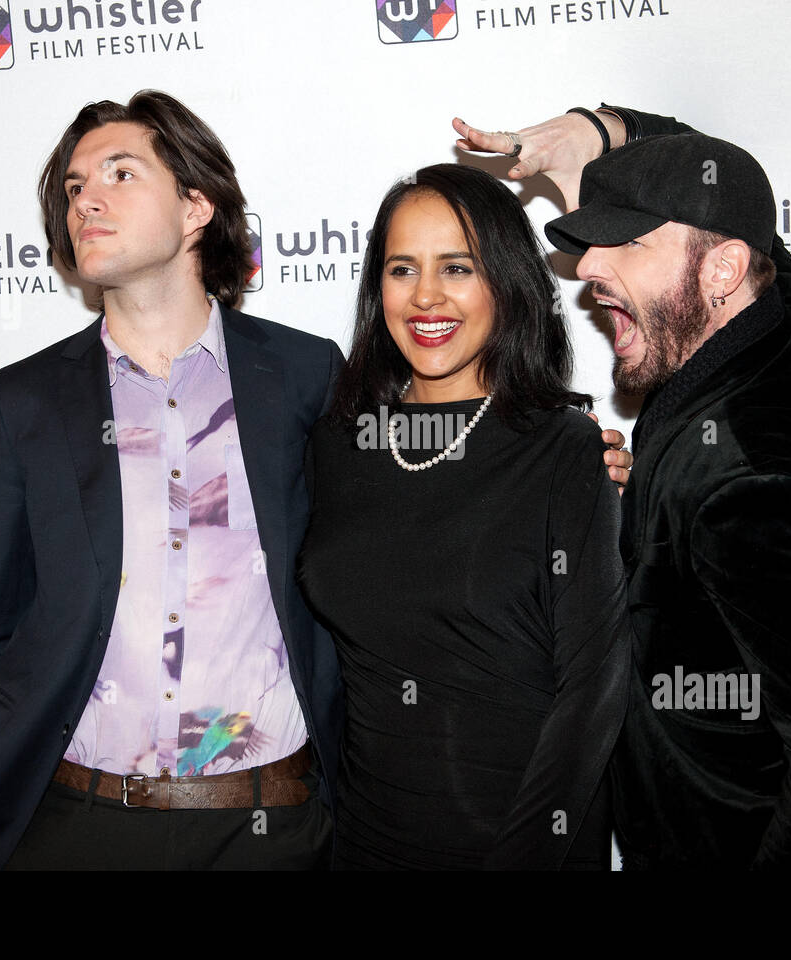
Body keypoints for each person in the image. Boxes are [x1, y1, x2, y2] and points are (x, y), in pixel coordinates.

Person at [456, 107, 791, 869]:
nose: (586, 268)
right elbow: (743, 218)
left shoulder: (746, 479)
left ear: (722, 271)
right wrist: (609, 132)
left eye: (626, 244)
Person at [0, 90, 345, 870]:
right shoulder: (23, 399)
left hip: (270, 832)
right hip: (72, 828)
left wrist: (563, 457)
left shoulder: (303, 374)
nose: (85, 198)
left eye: (120, 174)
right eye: (72, 186)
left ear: (197, 206)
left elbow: (385, 557)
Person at [297, 164, 629, 870]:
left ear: (506, 282)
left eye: (457, 268)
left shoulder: (563, 448)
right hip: (362, 843)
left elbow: (594, 687)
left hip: (521, 841)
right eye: (400, 269)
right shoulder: (337, 443)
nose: (425, 296)